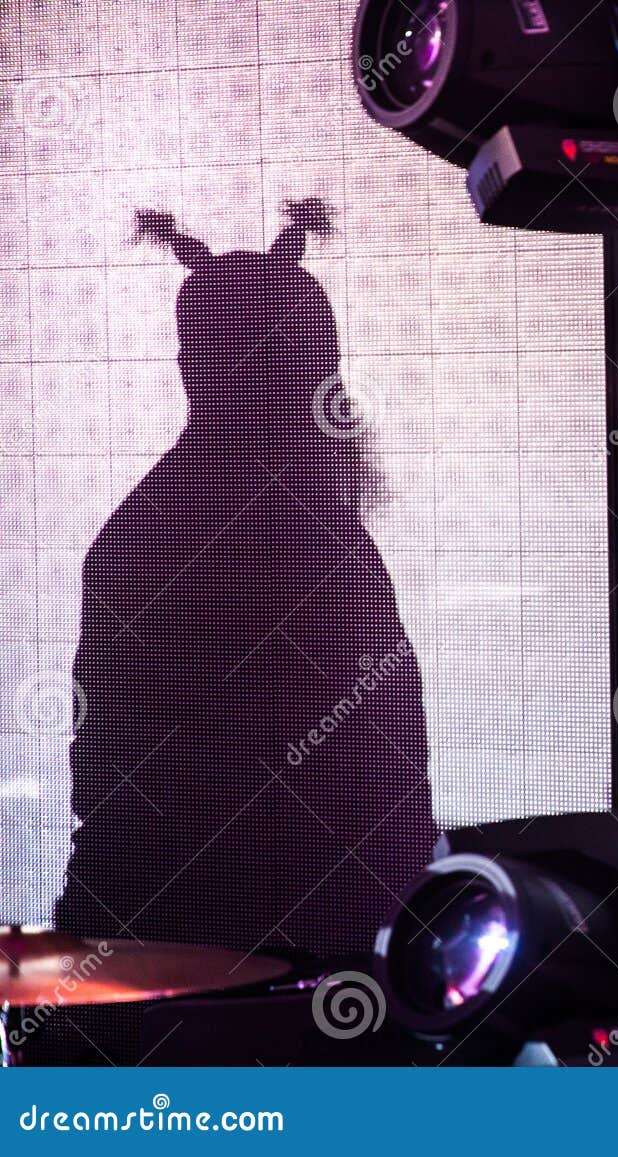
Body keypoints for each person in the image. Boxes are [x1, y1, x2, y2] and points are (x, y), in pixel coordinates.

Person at [53, 201, 438, 959]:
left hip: (146, 947)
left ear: (191, 368)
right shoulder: (329, 549)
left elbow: (103, 771)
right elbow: (392, 785)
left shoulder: (132, 537)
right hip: (318, 956)